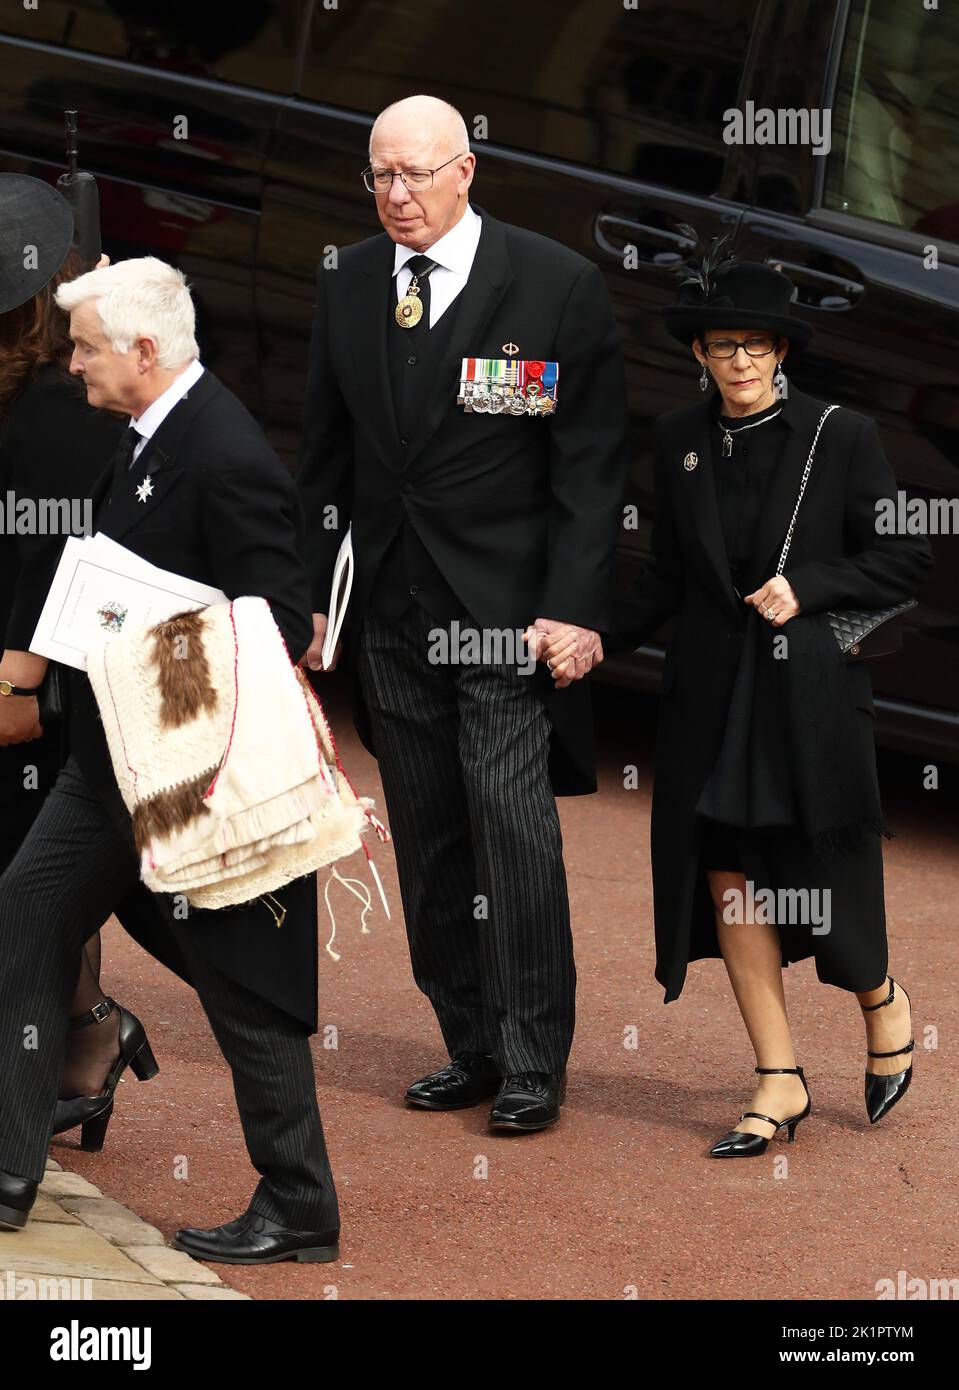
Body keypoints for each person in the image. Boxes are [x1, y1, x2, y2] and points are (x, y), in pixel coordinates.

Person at [542, 258, 931, 1156]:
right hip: (710, 701)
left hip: (807, 700)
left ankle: (882, 996)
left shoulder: (842, 436)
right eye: (724, 346)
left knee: (818, 880)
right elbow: (670, 577)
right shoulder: (680, 439)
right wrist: (596, 637)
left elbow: (905, 561)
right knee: (726, 875)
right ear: (702, 356)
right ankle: (778, 1078)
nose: (742, 361)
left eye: (756, 345)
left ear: (782, 349)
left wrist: (811, 584)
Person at [0, 256, 340, 1263]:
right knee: (22, 916)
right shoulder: (148, 431)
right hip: (111, 771)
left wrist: (145, 618)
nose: (72, 365)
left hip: (195, 780)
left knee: (245, 985)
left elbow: (278, 619)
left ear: (145, 352)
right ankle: (12, 1162)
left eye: (87, 347)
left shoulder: (223, 451)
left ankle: (301, 1205)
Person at [297, 94, 626, 1131]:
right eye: (378, 176)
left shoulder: (555, 284)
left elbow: (588, 473)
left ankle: (534, 1060)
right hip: (390, 611)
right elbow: (324, 459)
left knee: (511, 831)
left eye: (414, 174)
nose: (395, 195)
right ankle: (469, 1042)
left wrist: (574, 609)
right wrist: (309, 598)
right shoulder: (346, 279)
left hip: (505, 616)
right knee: (431, 833)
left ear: (465, 170)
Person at [0, 172, 158, 1131]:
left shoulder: (62, 399)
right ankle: (91, 1039)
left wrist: (19, 675)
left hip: (51, 673)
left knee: (31, 878)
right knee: (30, 882)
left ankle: (76, 1047)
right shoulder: (30, 381)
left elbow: (51, 555)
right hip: (34, 659)